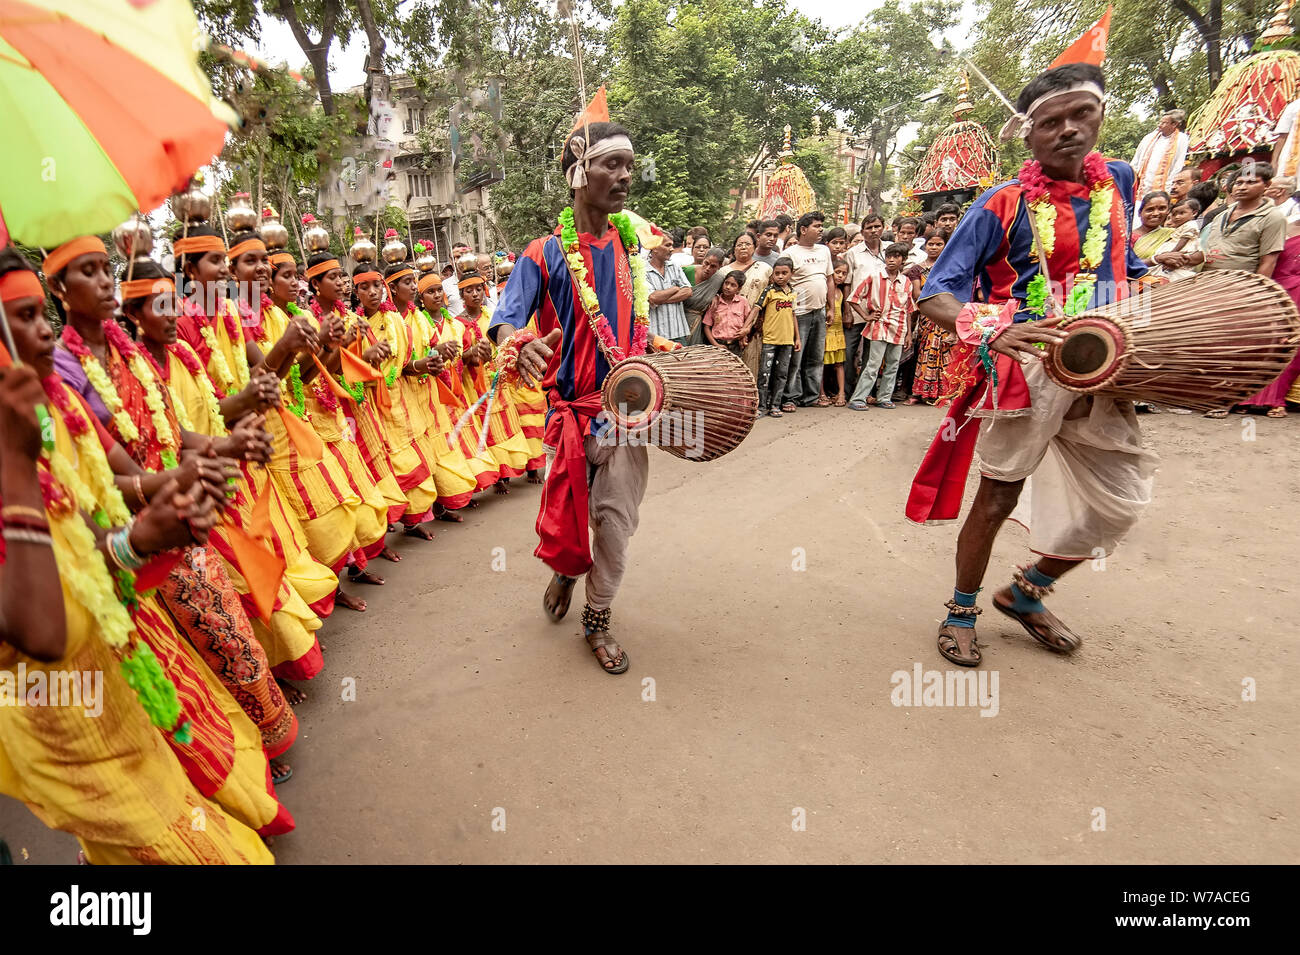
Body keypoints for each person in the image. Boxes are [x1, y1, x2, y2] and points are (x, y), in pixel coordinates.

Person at [0, 248, 276, 864]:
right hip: (49, 701)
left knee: (168, 785)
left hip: (114, 624)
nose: (41, 328)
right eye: (21, 318)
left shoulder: (51, 400)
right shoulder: (45, 399)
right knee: (148, 831)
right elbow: (41, 631)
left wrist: (161, 507)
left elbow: (105, 501)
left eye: (35, 314)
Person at [907, 61, 1157, 669]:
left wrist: (1149, 297)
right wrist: (998, 328)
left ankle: (1025, 592)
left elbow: (1122, 264)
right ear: (1029, 133)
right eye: (1051, 122)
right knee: (996, 500)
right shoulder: (1002, 202)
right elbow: (937, 290)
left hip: (1108, 362)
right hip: (1032, 369)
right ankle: (960, 611)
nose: (1068, 130)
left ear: (1101, 115)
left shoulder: (1120, 181)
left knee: (1123, 503)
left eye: (1082, 115)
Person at [490, 119, 679, 674]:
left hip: (625, 415)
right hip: (568, 415)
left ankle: (598, 617)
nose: (625, 176)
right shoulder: (543, 252)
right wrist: (519, 344)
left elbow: (632, 327)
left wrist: (658, 349)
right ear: (578, 171)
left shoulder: (628, 241)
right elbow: (505, 321)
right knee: (570, 524)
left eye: (629, 165)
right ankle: (567, 570)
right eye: (611, 164)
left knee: (616, 525)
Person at [1184, 162, 1289, 418]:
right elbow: (1207, 252)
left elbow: (1268, 260)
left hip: (1239, 291)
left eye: (1251, 182)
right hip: (1211, 286)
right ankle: (1203, 395)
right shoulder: (1223, 213)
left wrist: (1254, 297)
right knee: (1207, 344)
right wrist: (1183, 258)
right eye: (1239, 182)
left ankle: (1225, 400)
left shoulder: (1273, 217)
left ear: (1267, 186)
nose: (1242, 186)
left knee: (1232, 347)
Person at [1238, 215, 1300, 417]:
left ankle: (1275, 399)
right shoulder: (1283, 223)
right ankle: (1246, 395)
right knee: (1263, 338)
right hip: (1277, 288)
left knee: (1290, 343)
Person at [847, 243, 913, 410]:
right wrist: (866, 316)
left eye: (896, 257)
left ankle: (884, 397)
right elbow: (853, 298)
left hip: (899, 328)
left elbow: (908, 310)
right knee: (873, 365)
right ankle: (858, 399)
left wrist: (909, 334)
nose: (891, 260)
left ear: (903, 260)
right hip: (879, 326)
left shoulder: (906, 282)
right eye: (889, 256)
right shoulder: (874, 277)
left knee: (893, 365)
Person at [781, 211, 834, 410]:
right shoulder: (790, 253)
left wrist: (830, 308)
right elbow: (783, 282)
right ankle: (790, 397)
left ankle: (811, 396)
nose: (821, 230)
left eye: (821, 226)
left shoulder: (823, 251)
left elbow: (829, 279)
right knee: (796, 357)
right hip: (798, 313)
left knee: (816, 356)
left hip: (819, 311)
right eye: (816, 226)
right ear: (803, 230)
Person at [744, 257, 798, 417]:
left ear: (791, 274)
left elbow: (794, 315)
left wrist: (798, 338)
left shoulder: (793, 293)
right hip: (770, 339)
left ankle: (775, 405)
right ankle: (761, 407)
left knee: (782, 374)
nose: (780, 276)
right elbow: (756, 308)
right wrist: (746, 326)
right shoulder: (770, 291)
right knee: (765, 374)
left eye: (784, 273)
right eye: (777, 273)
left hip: (787, 340)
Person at [907, 230, 955, 404]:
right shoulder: (917, 269)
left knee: (946, 353)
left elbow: (955, 291)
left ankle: (945, 393)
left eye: (938, 244)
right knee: (926, 352)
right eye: (931, 244)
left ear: (945, 245)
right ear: (925, 246)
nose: (934, 248)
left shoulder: (951, 267)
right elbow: (917, 293)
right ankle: (923, 392)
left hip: (948, 314)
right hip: (928, 315)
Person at [844, 213, 887, 397]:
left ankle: (865, 392)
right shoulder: (853, 253)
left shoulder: (889, 252)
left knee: (872, 356)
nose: (873, 231)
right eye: (869, 228)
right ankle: (846, 391)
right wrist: (847, 311)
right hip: (856, 311)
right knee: (848, 352)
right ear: (863, 231)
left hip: (880, 313)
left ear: (883, 228)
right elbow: (847, 283)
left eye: (877, 226)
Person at [1130, 109, 1189, 224]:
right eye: (1160, 122)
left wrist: (1169, 187)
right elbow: (1136, 160)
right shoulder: (1150, 138)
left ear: (1174, 124)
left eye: (1164, 123)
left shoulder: (1181, 139)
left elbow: (1178, 165)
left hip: (1163, 186)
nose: (1159, 125)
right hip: (1142, 185)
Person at [728, 231, 773, 380]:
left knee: (752, 363)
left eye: (747, 244)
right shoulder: (725, 271)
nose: (743, 247)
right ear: (734, 249)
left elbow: (772, 295)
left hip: (755, 326)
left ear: (754, 247)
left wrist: (755, 323)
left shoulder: (764, 268)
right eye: (739, 244)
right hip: (730, 329)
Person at [646, 232, 693, 345]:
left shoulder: (674, 267)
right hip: (655, 335)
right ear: (655, 248)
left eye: (671, 245)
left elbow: (688, 291)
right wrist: (675, 289)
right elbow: (653, 297)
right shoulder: (643, 270)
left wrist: (662, 299)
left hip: (678, 331)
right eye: (667, 245)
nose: (671, 249)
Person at [817, 257, 850, 406]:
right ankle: (821, 393)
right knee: (821, 364)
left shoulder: (841, 291)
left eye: (844, 273)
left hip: (838, 332)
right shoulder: (825, 290)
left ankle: (841, 393)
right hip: (825, 331)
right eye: (837, 272)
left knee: (839, 364)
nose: (840, 276)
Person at [1147, 197, 1203, 282]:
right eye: (1174, 214)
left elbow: (1184, 241)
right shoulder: (1176, 229)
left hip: (1177, 260)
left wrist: (1171, 254)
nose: (1177, 217)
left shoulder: (1190, 226)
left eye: (1181, 213)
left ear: (1194, 213)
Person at [683, 246, 727, 343]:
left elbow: (724, 296)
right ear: (703, 260)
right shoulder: (686, 271)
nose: (707, 268)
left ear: (720, 266)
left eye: (713, 266)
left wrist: (716, 296)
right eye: (706, 263)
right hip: (680, 318)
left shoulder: (719, 279)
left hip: (698, 324)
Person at [701, 269, 749, 357]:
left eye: (733, 285)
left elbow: (749, 321)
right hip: (717, 344)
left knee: (735, 369)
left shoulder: (743, 302)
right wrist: (716, 345)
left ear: (739, 289)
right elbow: (706, 327)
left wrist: (746, 330)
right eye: (726, 283)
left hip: (736, 346)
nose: (728, 287)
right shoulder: (715, 303)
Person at [1131, 191, 1173, 264]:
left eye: (1162, 208)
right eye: (1150, 210)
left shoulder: (1173, 234)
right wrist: (1155, 260)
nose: (1156, 213)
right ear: (1140, 212)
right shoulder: (1129, 237)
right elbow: (1124, 265)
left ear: (1168, 211)